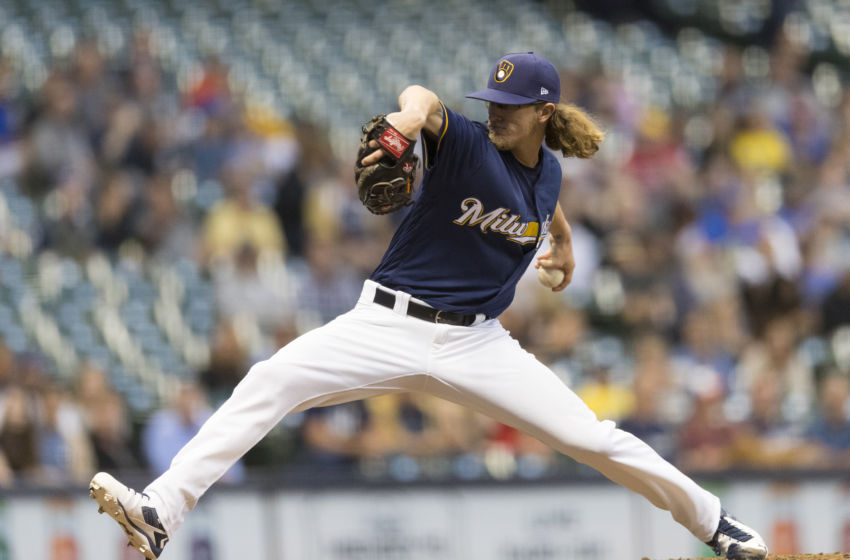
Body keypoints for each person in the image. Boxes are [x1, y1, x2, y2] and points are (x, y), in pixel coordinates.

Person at [89, 52, 767, 560]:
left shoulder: (549, 170)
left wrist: (561, 238)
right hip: (386, 323)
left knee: (592, 438)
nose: (497, 111)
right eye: (493, 99)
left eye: (511, 104)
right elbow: (425, 99)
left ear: (544, 114)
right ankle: (161, 510)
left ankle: (717, 525)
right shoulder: (467, 142)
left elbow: (541, 195)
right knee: (270, 380)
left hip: (478, 345)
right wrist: (408, 120)